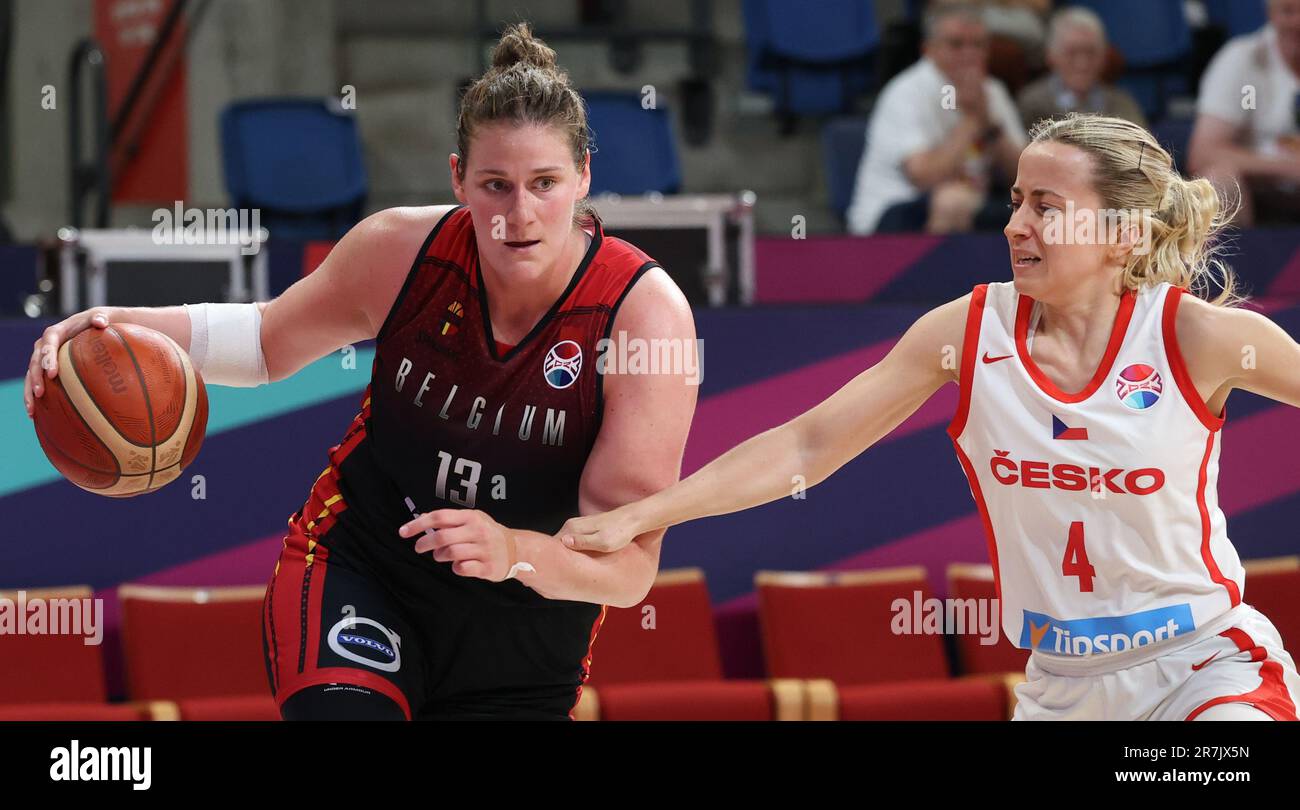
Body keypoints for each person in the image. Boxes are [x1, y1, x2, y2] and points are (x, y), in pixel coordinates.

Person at [23, 23, 698, 720]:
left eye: (545, 184)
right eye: (495, 185)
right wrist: (115, 324)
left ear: (584, 175)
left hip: (526, 631)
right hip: (363, 566)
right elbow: (264, 342)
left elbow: (627, 568)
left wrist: (514, 549)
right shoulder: (401, 251)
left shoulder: (641, 319)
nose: (517, 216)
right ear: (457, 178)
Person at [548, 114, 1300, 721]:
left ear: (1124, 234)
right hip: (1061, 687)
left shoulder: (1198, 337)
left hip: (1203, 670)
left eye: (1048, 207)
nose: (1015, 226)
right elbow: (807, 443)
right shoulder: (966, 335)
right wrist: (644, 514)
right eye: (1015, 200)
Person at [846, 3, 1027, 235]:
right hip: (892, 213)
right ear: (928, 49)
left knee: (1035, 210)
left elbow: (1023, 178)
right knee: (952, 202)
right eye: (956, 44)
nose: (969, 54)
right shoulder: (906, 92)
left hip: (970, 203)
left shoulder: (992, 91)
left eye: (978, 45)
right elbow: (924, 177)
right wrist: (972, 120)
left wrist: (991, 125)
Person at [1188, 0, 1300, 226]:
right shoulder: (1240, 59)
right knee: (1217, 181)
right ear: (1270, 14)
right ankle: (1230, 260)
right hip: (1257, 192)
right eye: (1288, 11)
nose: (1298, 22)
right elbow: (1203, 153)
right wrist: (1288, 167)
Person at [1017, 7, 1147, 130]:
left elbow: (1141, 149)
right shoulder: (1032, 104)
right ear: (1051, 56)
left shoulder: (1122, 103)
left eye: (1091, 52)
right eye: (1071, 53)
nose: (1082, 64)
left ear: (1104, 57)